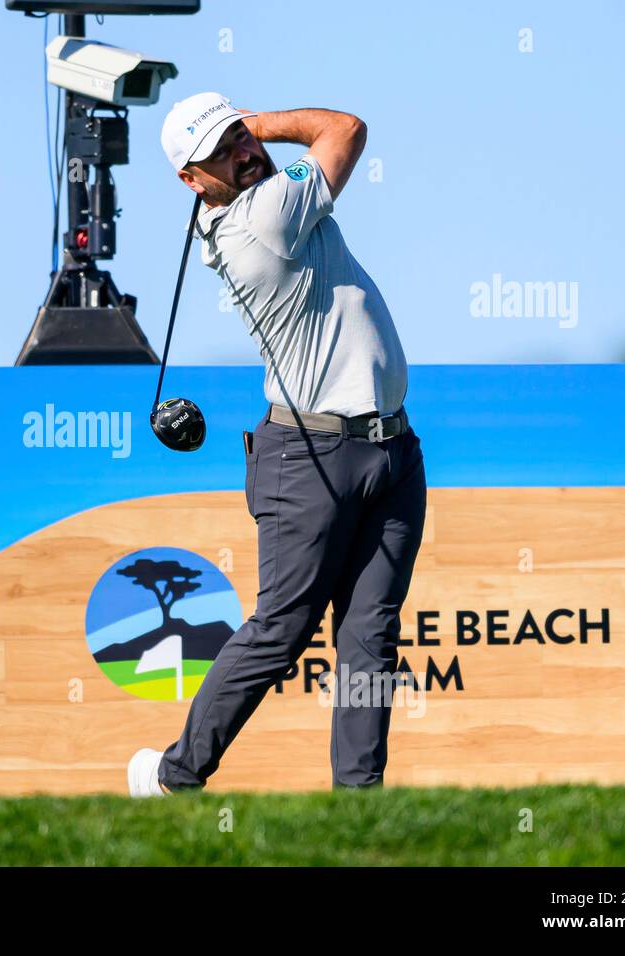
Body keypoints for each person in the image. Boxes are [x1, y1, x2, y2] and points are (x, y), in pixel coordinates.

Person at [128, 92, 427, 796]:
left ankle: (360, 801)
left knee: (369, 634)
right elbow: (344, 128)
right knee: (282, 628)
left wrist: (238, 134)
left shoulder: (250, 203)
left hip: (388, 448)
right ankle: (177, 774)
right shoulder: (266, 214)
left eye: (241, 135)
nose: (245, 151)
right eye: (224, 151)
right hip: (311, 459)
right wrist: (264, 124)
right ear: (193, 180)